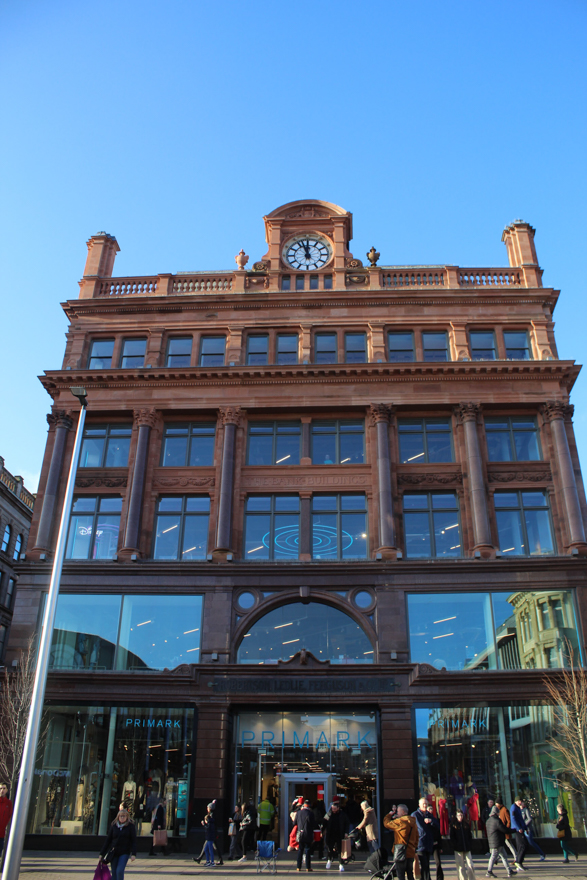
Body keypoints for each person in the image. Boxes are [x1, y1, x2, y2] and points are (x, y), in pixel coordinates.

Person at [383, 803, 419, 880]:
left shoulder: (400, 822)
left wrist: (389, 815)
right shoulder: (413, 822)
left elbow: (386, 823)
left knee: (400, 873)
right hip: (410, 852)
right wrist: (414, 847)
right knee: (410, 873)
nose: (397, 813)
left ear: (403, 812)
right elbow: (417, 837)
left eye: (398, 811)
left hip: (400, 851)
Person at [99, 808, 137, 880]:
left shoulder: (130, 827)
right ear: (118, 817)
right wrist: (102, 854)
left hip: (124, 852)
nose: (122, 818)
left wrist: (133, 854)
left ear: (127, 817)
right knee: (114, 872)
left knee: (119, 870)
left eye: (124, 816)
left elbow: (133, 841)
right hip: (114, 852)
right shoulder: (114, 826)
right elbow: (108, 840)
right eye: (121, 816)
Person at [412, 797, 439, 880]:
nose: (425, 805)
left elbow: (437, 825)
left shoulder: (429, 815)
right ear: (419, 805)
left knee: (426, 864)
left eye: (426, 804)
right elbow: (421, 829)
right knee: (424, 865)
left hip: (428, 844)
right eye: (423, 804)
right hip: (420, 844)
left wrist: (431, 821)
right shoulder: (415, 815)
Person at [485, 805, 513, 878]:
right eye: (498, 813)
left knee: (504, 856)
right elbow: (504, 829)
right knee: (494, 856)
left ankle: (509, 871)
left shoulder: (488, 821)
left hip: (492, 842)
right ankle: (489, 871)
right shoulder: (497, 821)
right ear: (496, 813)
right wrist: (513, 830)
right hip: (497, 842)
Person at [194, 801, 224, 865]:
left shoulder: (211, 816)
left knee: (210, 847)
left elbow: (209, 826)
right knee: (210, 847)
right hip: (212, 833)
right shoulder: (212, 814)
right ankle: (201, 858)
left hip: (211, 834)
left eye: (207, 807)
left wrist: (204, 824)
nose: (207, 808)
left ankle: (211, 861)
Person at [450, 810, 476, 880]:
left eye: (461, 815)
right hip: (458, 849)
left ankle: (472, 878)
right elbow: (452, 837)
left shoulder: (466, 825)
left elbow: (470, 836)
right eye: (458, 815)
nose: (460, 817)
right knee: (461, 867)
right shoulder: (453, 825)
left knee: (470, 865)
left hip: (467, 848)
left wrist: (470, 844)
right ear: (456, 816)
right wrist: (455, 845)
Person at [323, 800, 350, 871]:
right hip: (330, 834)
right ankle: (329, 860)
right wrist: (322, 831)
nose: (333, 810)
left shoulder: (343, 815)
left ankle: (341, 864)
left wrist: (346, 832)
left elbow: (347, 823)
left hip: (339, 834)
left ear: (338, 808)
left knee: (340, 850)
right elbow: (324, 823)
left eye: (335, 809)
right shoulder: (329, 814)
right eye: (332, 809)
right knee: (330, 848)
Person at [294, 799, 317, 873]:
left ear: (303, 806)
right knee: (307, 850)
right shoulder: (311, 814)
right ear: (309, 806)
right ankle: (308, 867)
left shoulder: (299, 813)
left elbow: (294, 823)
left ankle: (298, 866)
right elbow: (314, 824)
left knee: (300, 850)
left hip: (300, 834)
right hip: (308, 834)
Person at [509, 798, 528, 871]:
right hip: (518, 830)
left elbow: (520, 819)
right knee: (523, 845)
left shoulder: (517, 808)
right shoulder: (514, 807)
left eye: (521, 801)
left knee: (523, 845)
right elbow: (513, 818)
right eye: (519, 801)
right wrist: (518, 828)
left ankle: (519, 862)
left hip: (521, 828)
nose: (520, 803)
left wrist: (525, 828)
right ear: (516, 801)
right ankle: (518, 861)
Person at [428, 804, 444, 880]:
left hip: (435, 843)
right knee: (426, 863)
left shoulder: (434, 819)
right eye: (429, 809)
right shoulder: (422, 819)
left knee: (438, 862)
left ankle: (439, 877)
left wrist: (440, 846)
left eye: (431, 809)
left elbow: (438, 833)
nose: (430, 810)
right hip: (427, 844)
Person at [0, 784, 13, 857]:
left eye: (4, 788)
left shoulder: (8, 803)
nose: (2, 790)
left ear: (7, 790)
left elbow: (9, 816)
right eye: (0, 788)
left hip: (1, 834)